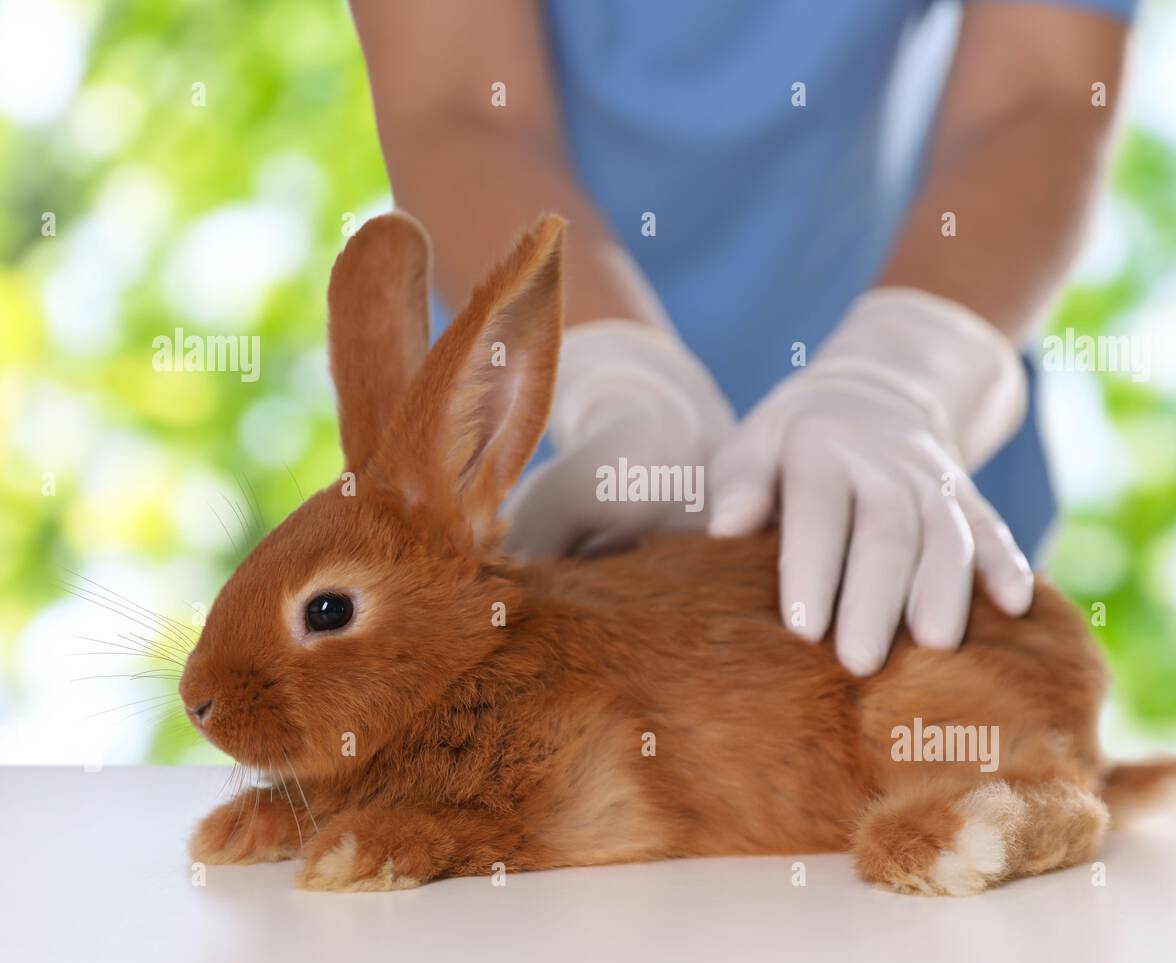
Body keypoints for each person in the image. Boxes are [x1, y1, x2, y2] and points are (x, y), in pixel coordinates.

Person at [349, 0, 1132, 675]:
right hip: (560, 498)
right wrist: (617, 377)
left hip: (903, 501)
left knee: (939, 786)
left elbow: (1046, 88)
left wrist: (905, 371)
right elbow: (457, 102)